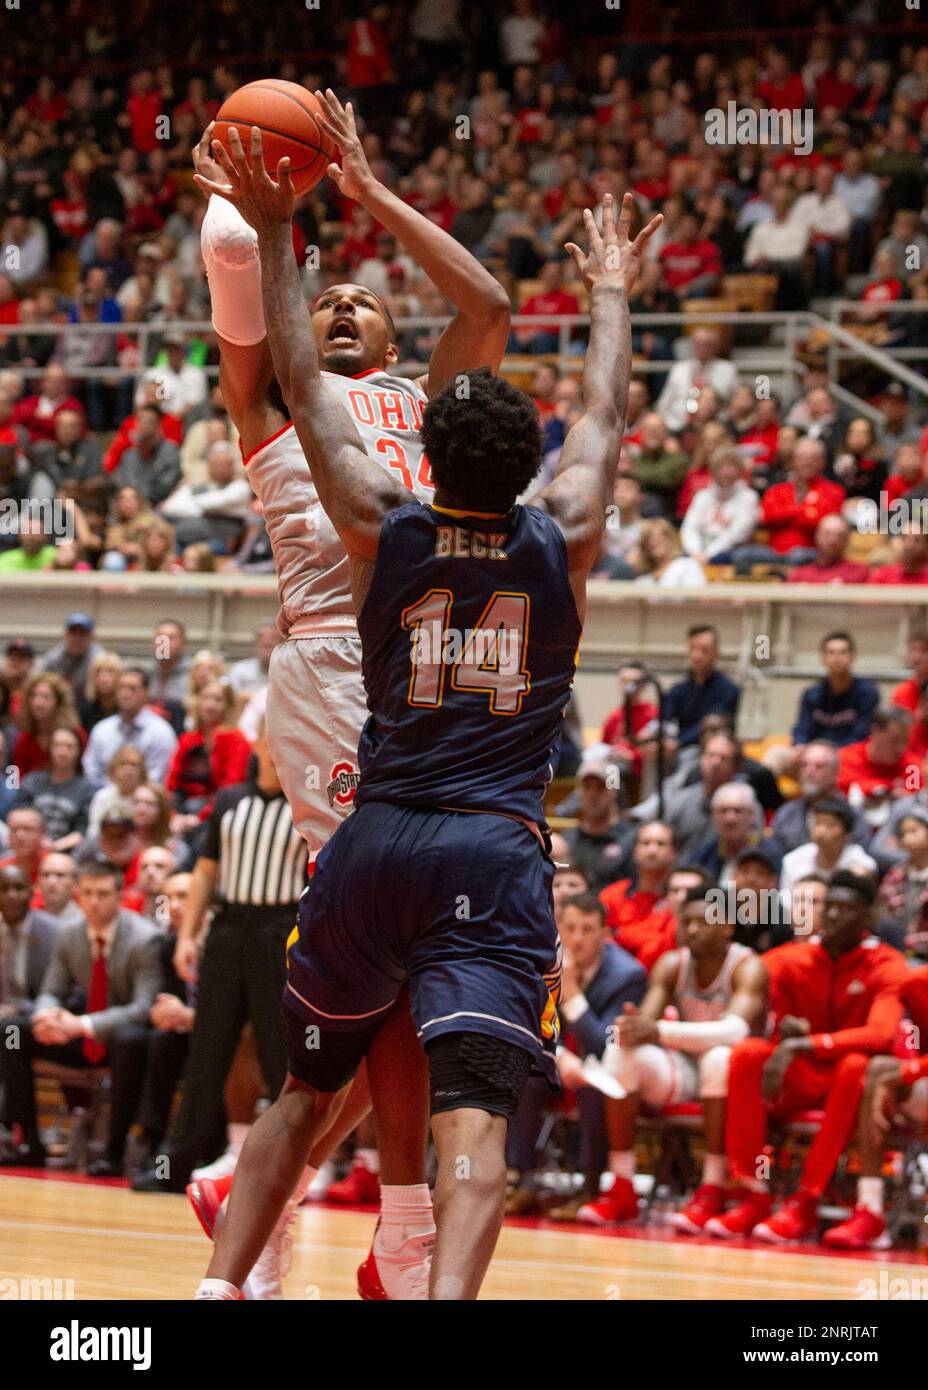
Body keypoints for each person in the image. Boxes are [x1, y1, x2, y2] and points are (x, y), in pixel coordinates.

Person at [191, 137, 659, 1301]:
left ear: (416, 365)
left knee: (382, 973)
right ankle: (402, 1226)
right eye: (330, 294)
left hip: (401, 701)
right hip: (343, 680)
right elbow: (265, 331)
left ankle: (308, 1204)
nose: (342, 307)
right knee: (408, 979)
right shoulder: (328, 421)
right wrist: (267, 230)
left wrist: (347, 200)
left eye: (366, 300)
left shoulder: (403, 451)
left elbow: (487, 304)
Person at [704, 872, 909, 1241]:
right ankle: (754, 1193)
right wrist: (781, 1034)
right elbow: (740, 974)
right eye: (828, 906)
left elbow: (880, 1036)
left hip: (854, 1088)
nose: (831, 916)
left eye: (845, 909)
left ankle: (806, 1200)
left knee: (856, 1065)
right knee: (748, 1054)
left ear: (867, 916)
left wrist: (808, 1043)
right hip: (800, 1077)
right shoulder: (791, 958)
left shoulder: (887, 963)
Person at [581, 884, 767, 1230]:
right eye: (687, 921)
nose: (693, 929)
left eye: (703, 921)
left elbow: (736, 1030)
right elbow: (645, 1025)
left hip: (741, 1083)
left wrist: (659, 1032)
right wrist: (632, 1026)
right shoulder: (671, 963)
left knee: (719, 1056)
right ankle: (622, 1186)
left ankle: (712, 1186)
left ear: (727, 925)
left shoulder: (748, 965)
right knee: (622, 1051)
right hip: (684, 1070)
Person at [0, 861, 160, 1173]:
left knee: (131, 1039)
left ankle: (112, 1152)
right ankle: (29, 1141)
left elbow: (143, 1007)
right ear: (79, 896)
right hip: (78, 1035)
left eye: (103, 893)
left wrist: (82, 1025)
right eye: (87, 893)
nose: (95, 901)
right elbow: (51, 989)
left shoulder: (145, 937)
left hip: (122, 1038)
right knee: (12, 1032)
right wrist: (48, 1016)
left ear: (119, 895)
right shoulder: (69, 933)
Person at [505, 892, 646, 1219]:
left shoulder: (628, 975)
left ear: (605, 933)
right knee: (524, 1071)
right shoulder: (540, 962)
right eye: (570, 928)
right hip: (557, 1059)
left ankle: (590, 1185)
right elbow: (525, 1023)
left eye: (588, 929)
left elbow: (605, 1044)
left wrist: (571, 992)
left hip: (608, 1068)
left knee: (595, 1083)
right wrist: (560, 1054)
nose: (577, 938)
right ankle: (521, 1180)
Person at [823, 966, 928, 1250]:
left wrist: (908, 1072)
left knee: (891, 1074)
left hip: (919, 1074)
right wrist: (904, 1072)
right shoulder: (916, 982)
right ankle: (870, 1209)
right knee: (879, 1069)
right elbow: (884, 1034)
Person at [598, 820, 677, 969]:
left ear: (673, 853)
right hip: (616, 977)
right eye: (646, 843)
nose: (652, 850)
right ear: (635, 851)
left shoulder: (679, 897)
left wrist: (622, 935)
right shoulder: (612, 895)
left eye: (661, 844)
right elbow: (601, 942)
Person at [82, 668, 177, 788]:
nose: (125, 693)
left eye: (132, 688)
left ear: (145, 692)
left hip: (145, 802)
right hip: (104, 800)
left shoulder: (161, 733)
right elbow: (91, 772)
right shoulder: (102, 729)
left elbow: (157, 777)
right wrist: (112, 795)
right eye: (121, 687)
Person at [561, 750, 637, 893]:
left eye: (600, 787)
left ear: (614, 791)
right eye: (587, 787)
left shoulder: (631, 839)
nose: (593, 794)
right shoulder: (567, 839)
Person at [791, 630, 880, 752]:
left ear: (852, 657)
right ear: (823, 658)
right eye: (831, 652)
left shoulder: (867, 692)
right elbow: (802, 729)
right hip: (815, 755)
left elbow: (862, 735)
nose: (837, 658)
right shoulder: (811, 694)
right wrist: (800, 745)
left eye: (843, 652)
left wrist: (830, 753)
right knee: (779, 754)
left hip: (851, 755)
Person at [14, 727, 94, 851]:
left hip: (67, 852)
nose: (62, 752)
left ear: (79, 751)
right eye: (57, 745)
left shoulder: (87, 789)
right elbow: (18, 817)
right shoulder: (32, 781)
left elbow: (83, 831)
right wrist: (39, 842)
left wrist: (55, 846)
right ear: (49, 749)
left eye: (69, 746)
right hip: (30, 848)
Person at [662, 625, 739, 749]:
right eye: (692, 649)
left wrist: (678, 743)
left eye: (704, 650)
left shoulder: (728, 690)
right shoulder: (679, 689)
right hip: (676, 748)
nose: (697, 655)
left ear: (716, 653)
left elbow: (710, 727)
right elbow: (665, 717)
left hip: (707, 749)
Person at [779, 799, 878, 895]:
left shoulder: (863, 865)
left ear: (846, 834)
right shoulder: (793, 860)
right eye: (817, 823)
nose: (821, 832)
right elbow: (786, 903)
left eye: (830, 825)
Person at [34, 613, 103, 702]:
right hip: (59, 706)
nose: (77, 639)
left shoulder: (99, 658)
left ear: (90, 637)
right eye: (74, 633)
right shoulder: (53, 658)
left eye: (82, 634)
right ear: (66, 635)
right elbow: (38, 682)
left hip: (91, 706)